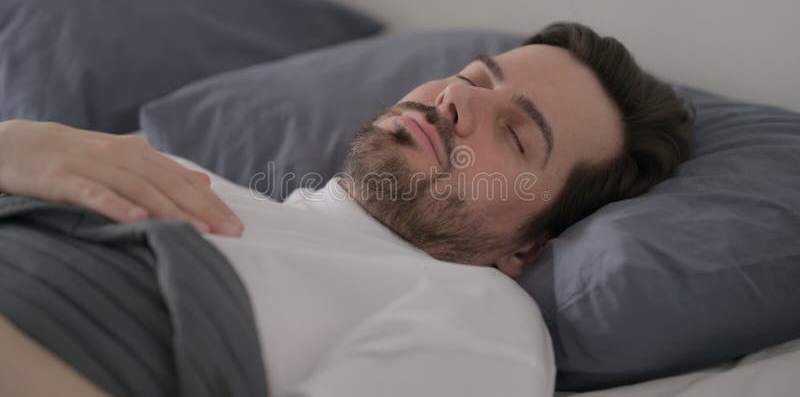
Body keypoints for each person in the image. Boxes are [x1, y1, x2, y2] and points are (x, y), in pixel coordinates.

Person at [0, 22, 692, 396]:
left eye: (514, 134)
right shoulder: (177, 175)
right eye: (473, 78)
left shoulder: (482, 319)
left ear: (526, 248)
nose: (456, 99)